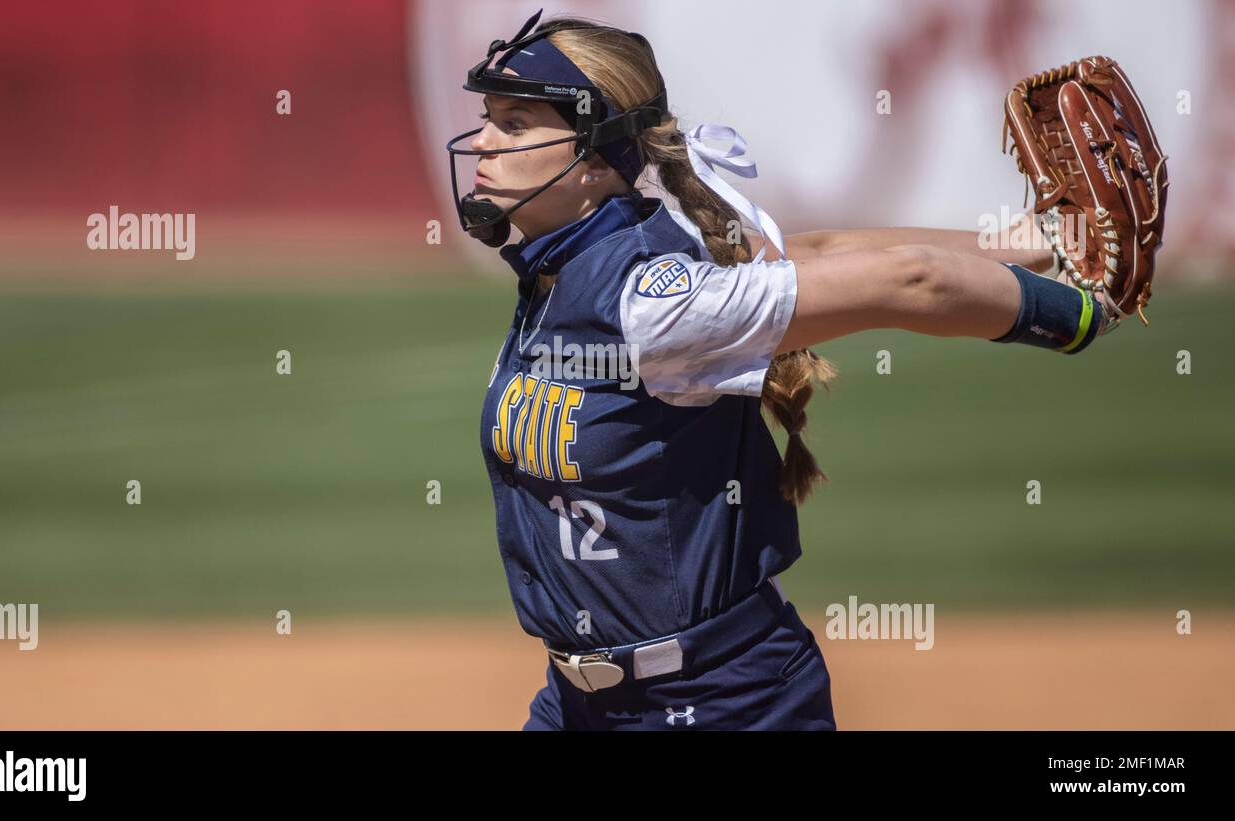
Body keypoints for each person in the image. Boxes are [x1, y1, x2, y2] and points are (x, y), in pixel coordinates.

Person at [444, 9, 1111, 731]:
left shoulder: (652, 306)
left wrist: (1074, 311)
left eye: (515, 123)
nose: (482, 139)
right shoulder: (568, 270)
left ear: (596, 159)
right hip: (577, 707)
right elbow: (815, 249)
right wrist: (1031, 240)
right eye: (489, 117)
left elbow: (909, 280)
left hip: (720, 704)